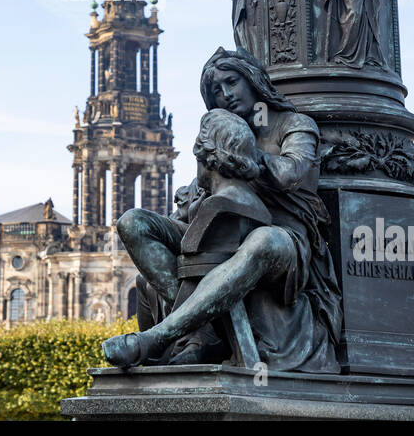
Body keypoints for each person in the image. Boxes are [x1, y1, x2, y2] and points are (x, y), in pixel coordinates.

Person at [103, 47, 341, 372]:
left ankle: (161, 335)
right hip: (220, 233)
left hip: (284, 239)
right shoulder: (219, 134)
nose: (227, 94)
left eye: (232, 82)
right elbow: (197, 198)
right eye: (217, 90)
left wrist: (243, 155)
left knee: (262, 241)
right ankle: (204, 329)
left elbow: (292, 173)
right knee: (134, 222)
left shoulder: (292, 124)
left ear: (253, 80)